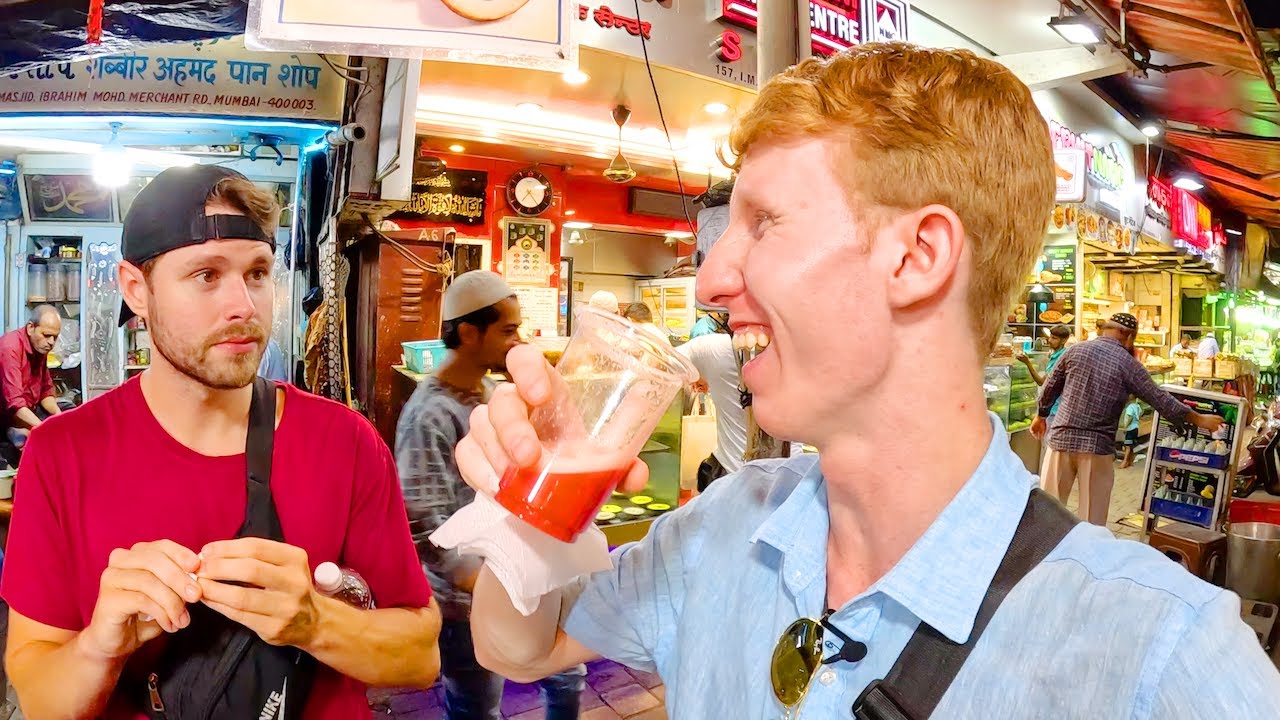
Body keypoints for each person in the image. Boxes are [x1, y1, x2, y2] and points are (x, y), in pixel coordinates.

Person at [452, 44, 1280, 719]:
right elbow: (520, 648)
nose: (710, 282)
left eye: (763, 223)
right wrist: (532, 513)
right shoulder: (724, 525)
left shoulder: (1158, 654)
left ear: (917, 257)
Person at [1, 165, 440, 718]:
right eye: (206, 275)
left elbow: (419, 657)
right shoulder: (62, 454)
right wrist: (101, 647)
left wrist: (316, 622)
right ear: (136, 289)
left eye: (257, 273)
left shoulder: (345, 442)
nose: (244, 306)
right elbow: (41, 700)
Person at [394, 270, 584, 720]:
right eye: (507, 330)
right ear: (468, 333)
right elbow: (423, 524)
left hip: (516, 582)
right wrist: (491, 587)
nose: (518, 341)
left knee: (565, 675)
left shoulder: (491, 393)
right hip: (465, 605)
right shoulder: (429, 414)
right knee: (477, 707)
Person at [1033, 313, 1223, 526]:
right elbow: (1160, 399)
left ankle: (1042, 547)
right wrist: (1199, 419)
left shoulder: (1075, 350)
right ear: (1130, 337)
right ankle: (1086, 547)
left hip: (1061, 440)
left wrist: (1041, 416)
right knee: (1091, 521)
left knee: (1047, 513)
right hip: (1096, 448)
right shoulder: (1128, 364)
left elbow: (1049, 387)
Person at [674, 327, 745, 491]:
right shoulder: (716, 349)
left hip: (731, 478)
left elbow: (662, 363)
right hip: (731, 477)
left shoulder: (714, 348)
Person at [0, 304, 62, 448]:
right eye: (46, 335)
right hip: (7, 415)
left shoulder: (39, 347)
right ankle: (14, 433)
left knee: (67, 410)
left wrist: (60, 418)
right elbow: (15, 403)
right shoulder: (10, 349)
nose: (51, 342)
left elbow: (46, 391)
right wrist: (43, 429)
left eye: (55, 337)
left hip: (27, 409)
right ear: (30, 328)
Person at [1120, 395, 1143, 469]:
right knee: (1131, 445)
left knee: (1127, 446)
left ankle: (1124, 462)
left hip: (1130, 429)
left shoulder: (1130, 407)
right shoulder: (1137, 406)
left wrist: (1126, 427)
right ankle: (1131, 461)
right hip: (1136, 428)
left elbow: (1130, 417)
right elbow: (1140, 413)